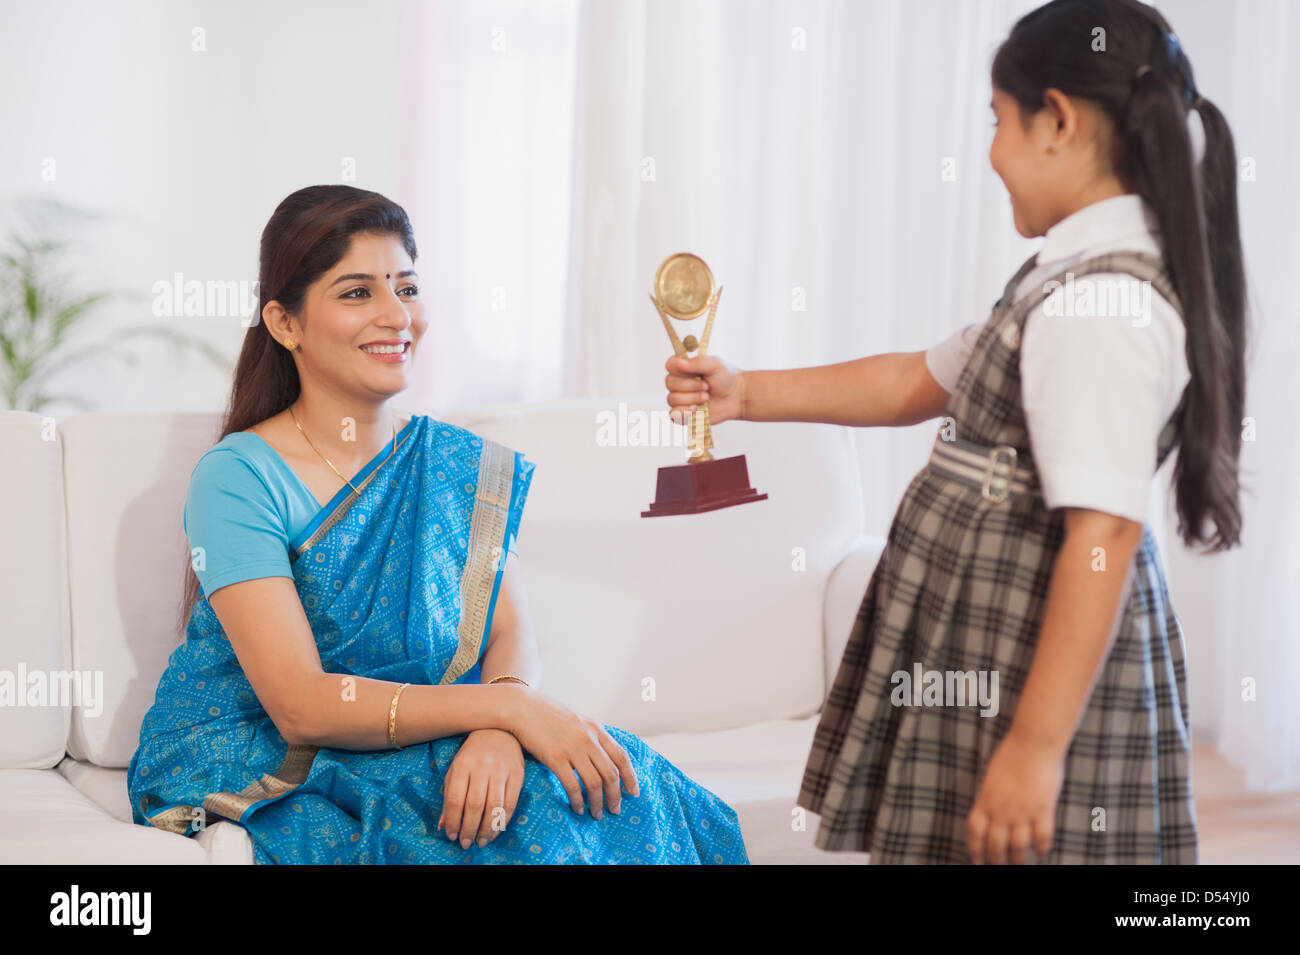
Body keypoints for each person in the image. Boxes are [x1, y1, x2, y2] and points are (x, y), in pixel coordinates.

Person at [664, 0, 1246, 864]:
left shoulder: (1101, 308)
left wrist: (1037, 748)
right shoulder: (1064, 279)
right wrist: (746, 391)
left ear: (1057, 120)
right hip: (989, 638)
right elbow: (916, 378)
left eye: (997, 122)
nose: (990, 153)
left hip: (1034, 655)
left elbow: (1106, 532)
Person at [128, 185, 748, 865]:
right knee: (510, 826)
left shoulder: (457, 464)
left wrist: (504, 727)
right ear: (285, 323)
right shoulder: (239, 476)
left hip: (426, 736)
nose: (397, 315)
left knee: (617, 779)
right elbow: (302, 704)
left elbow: (510, 630)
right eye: (357, 292)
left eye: (408, 286)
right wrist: (506, 712)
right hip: (268, 754)